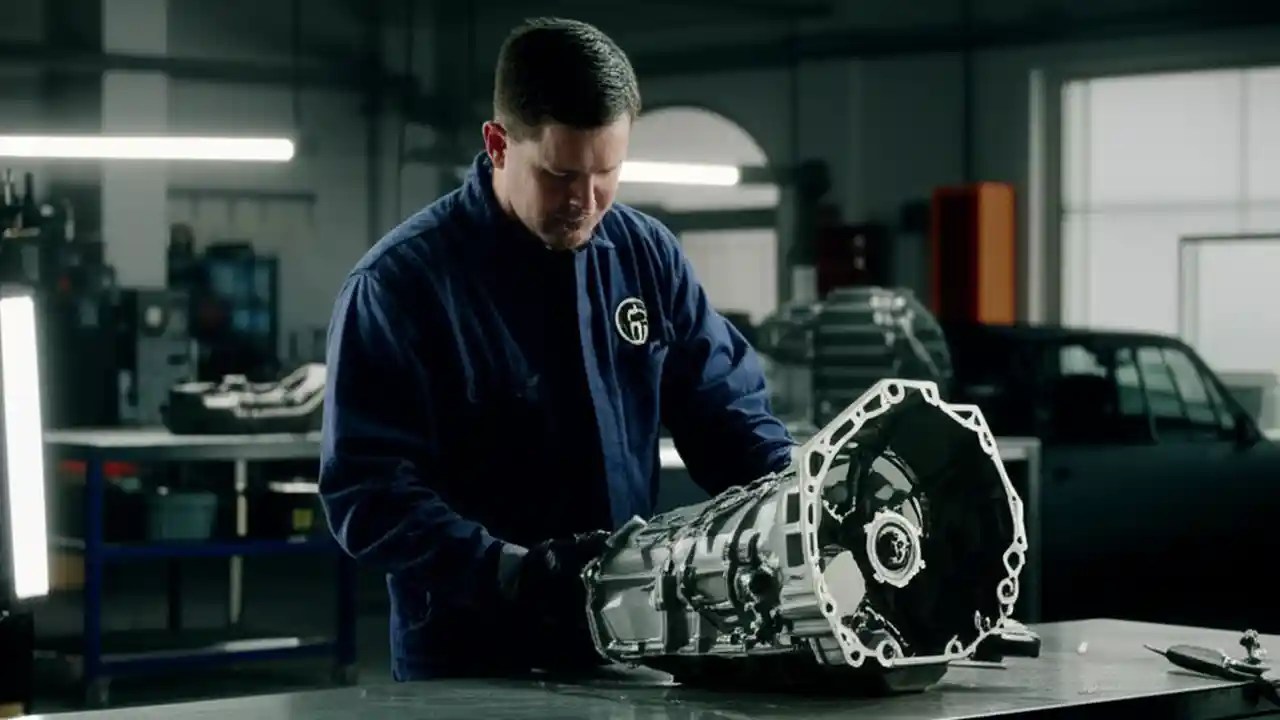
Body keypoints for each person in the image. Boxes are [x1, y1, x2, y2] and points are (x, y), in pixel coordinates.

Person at [319, 17, 794, 681]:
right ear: (497, 145)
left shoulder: (645, 256)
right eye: (559, 174)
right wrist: (517, 575)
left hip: (628, 641)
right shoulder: (401, 286)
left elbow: (725, 414)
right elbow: (367, 491)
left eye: (607, 172)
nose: (585, 201)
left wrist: (800, 494)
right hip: (467, 660)